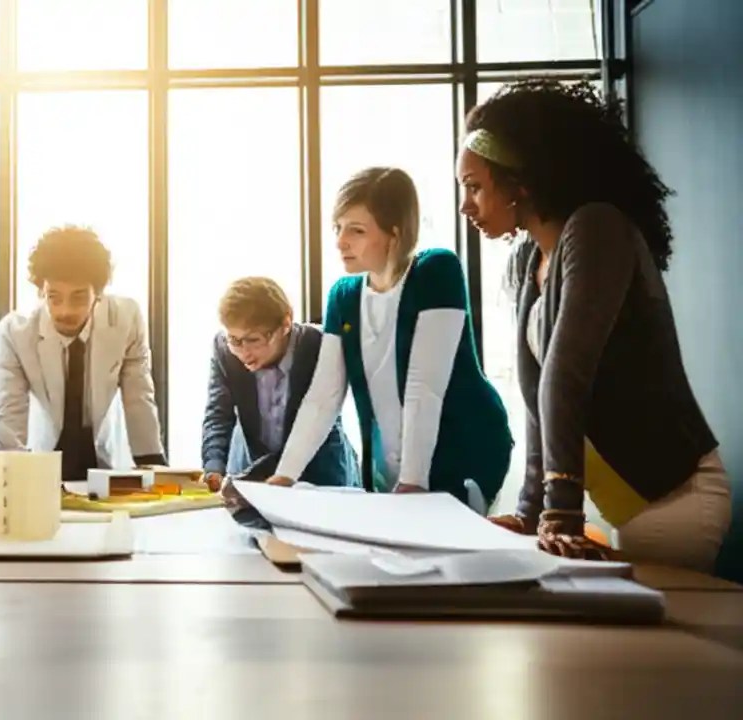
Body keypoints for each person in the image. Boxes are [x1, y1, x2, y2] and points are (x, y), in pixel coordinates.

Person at [459, 79, 730, 569]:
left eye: (475, 186)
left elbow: (567, 373)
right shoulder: (530, 261)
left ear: (520, 181)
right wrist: (529, 511)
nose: (466, 205)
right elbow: (539, 397)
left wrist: (559, 512)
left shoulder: (597, 228)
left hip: (672, 500)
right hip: (621, 507)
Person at [267, 167, 513, 512]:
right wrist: (283, 478)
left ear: (394, 234)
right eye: (338, 228)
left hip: (464, 455)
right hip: (387, 469)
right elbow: (323, 397)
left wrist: (413, 481)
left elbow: (424, 386)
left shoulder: (435, 272)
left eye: (356, 230)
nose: (340, 242)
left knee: (445, 556)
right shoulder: (344, 295)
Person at [0, 225, 166, 480]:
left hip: (102, 453)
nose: (65, 310)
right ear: (41, 290)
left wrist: (152, 464)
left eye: (78, 297)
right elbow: (9, 408)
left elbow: (138, 394)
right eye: (54, 297)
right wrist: (7, 477)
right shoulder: (15, 333)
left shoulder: (125, 319)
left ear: (98, 293)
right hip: (45, 455)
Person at [201, 277, 358, 492]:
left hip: (320, 475)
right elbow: (218, 414)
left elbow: (323, 410)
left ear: (285, 324)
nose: (244, 352)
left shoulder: (321, 345)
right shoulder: (224, 350)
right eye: (235, 340)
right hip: (251, 473)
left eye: (253, 340)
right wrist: (213, 467)